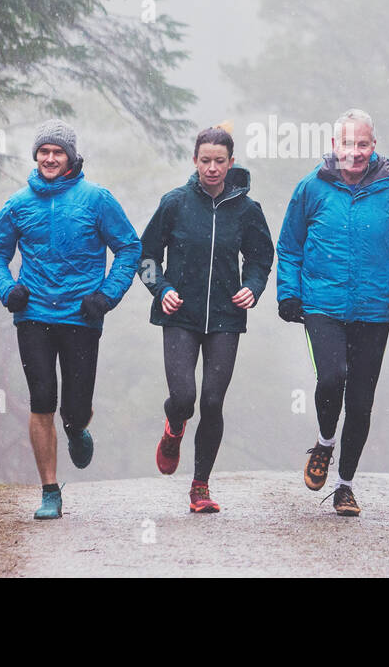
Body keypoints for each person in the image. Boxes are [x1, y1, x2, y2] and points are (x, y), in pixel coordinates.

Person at [275, 109, 389, 517]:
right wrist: (288, 294)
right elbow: (290, 246)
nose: (355, 153)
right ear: (334, 146)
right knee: (332, 377)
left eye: (362, 145)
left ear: (373, 147)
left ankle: (345, 485)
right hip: (321, 306)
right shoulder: (311, 188)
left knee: (362, 404)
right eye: (347, 144)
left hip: (374, 309)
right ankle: (324, 442)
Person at [0, 119, 141, 520]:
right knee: (41, 399)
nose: (51, 158)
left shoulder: (97, 199)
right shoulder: (17, 204)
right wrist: (8, 290)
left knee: (75, 404)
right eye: (44, 151)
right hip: (32, 313)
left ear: (71, 157)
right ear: (36, 156)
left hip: (81, 315)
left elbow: (128, 247)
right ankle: (49, 490)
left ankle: (75, 428)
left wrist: (105, 296)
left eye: (58, 152)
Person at [138, 126, 274, 513]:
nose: (212, 168)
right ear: (194, 161)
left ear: (231, 163)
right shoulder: (175, 203)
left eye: (219, 161)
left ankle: (200, 486)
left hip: (226, 319)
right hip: (180, 314)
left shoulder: (247, 210)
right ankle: (174, 425)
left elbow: (262, 258)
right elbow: (145, 257)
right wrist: (161, 289)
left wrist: (253, 285)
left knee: (213, 402)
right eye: (205, 161)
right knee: (185, 397)